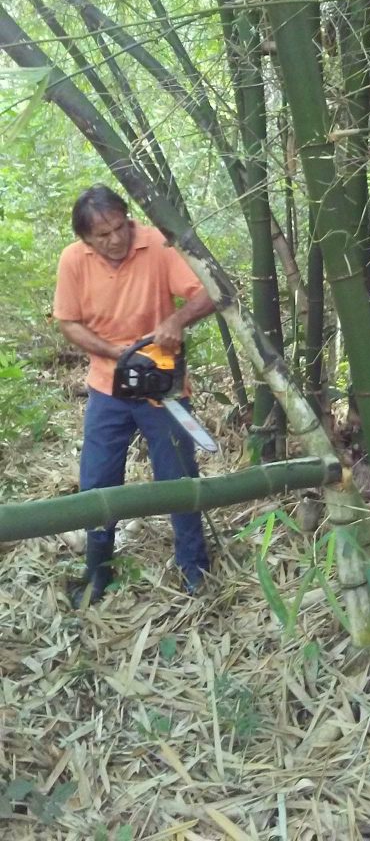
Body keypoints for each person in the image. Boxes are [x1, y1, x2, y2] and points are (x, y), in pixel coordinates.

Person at [53, 184, 216, 605]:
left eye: (119, 227)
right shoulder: (73, 261)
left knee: (178, 478)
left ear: (129, 219)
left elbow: (208, 292)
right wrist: (114, 352)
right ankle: (97, 571)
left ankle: (195, 570)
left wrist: (177, 319)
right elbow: (68, 321)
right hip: (107, 383)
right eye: (102, 235)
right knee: (97, 481)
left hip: (162, 382)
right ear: (85, 239)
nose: (115, 239)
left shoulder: (158, 244)